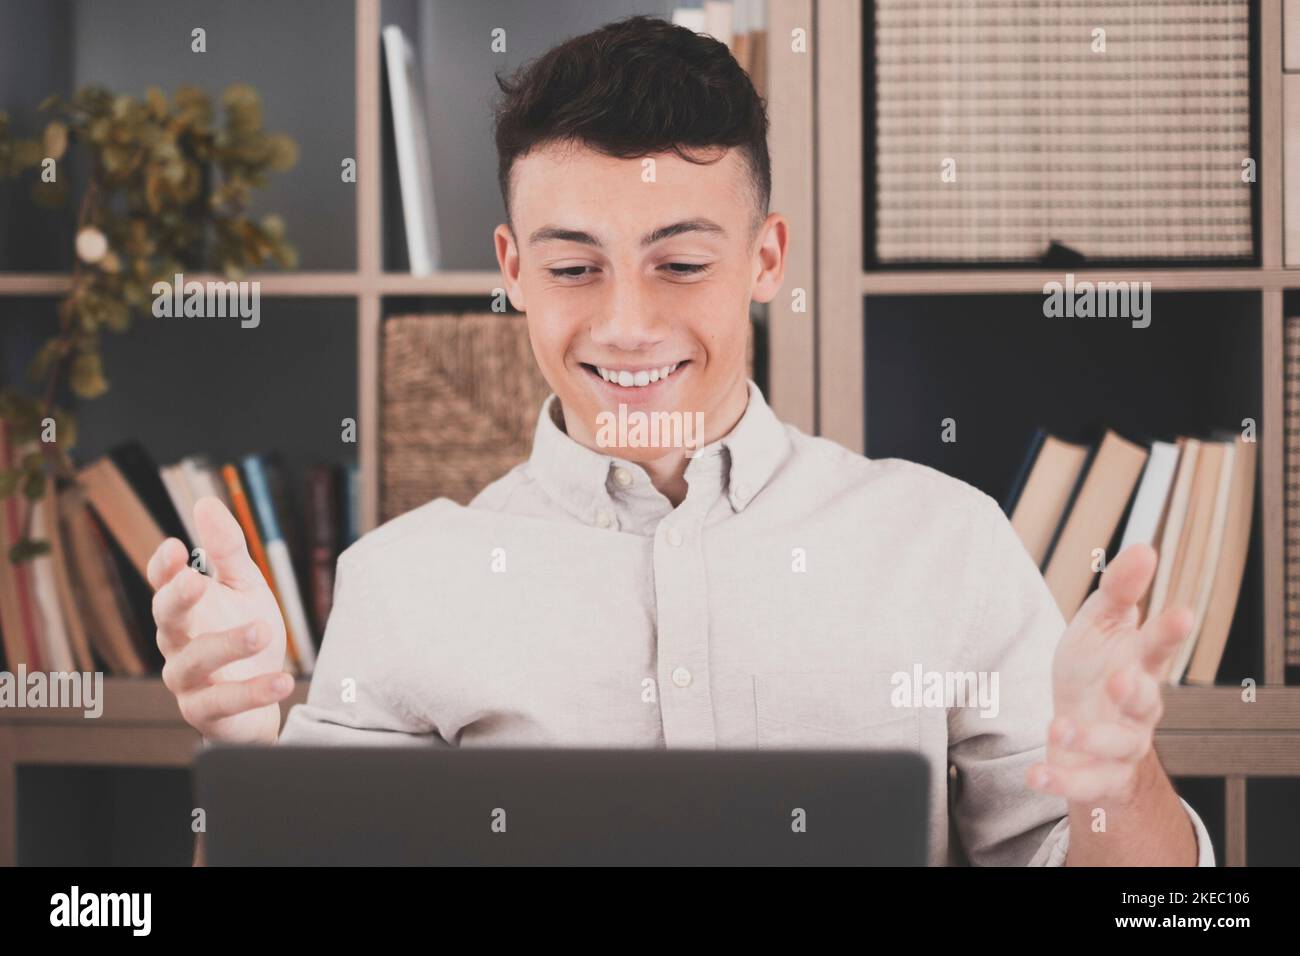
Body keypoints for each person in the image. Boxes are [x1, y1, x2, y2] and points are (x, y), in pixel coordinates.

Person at [147, 16, 1212, 866]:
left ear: (765, 258)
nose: (625, 323)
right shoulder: (403, 582)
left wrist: (1119, 783)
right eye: (573, 268)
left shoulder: (946, 544)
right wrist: (243, 758)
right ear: (511, 271)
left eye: (680, 262)